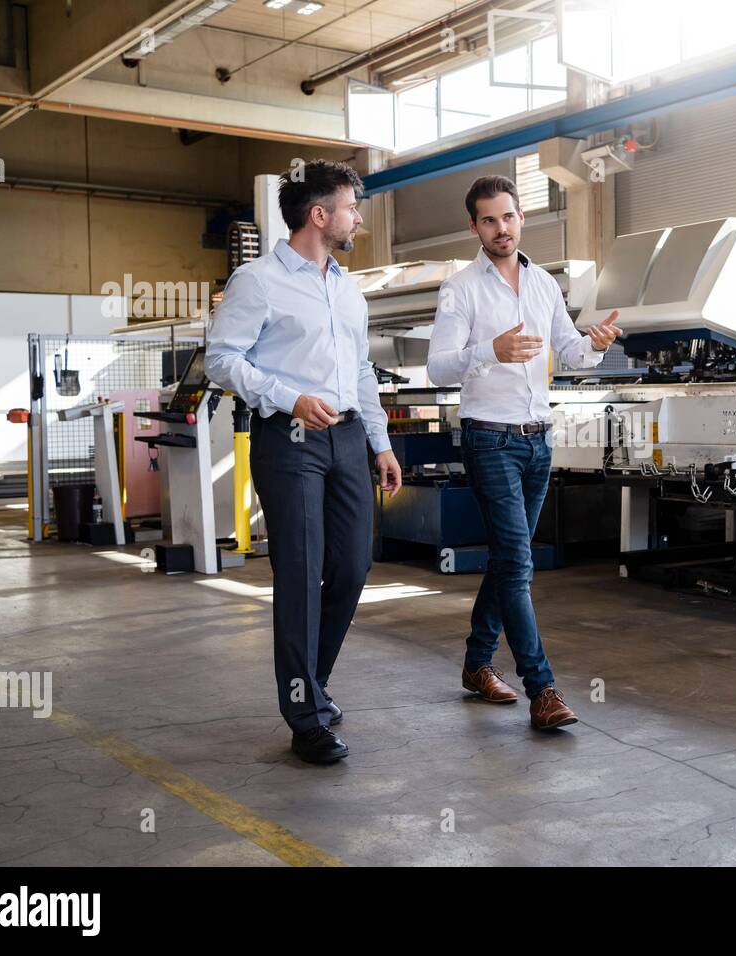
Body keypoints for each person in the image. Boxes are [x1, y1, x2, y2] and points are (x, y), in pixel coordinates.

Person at [206, 159, 402, 764]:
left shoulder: (347, 287)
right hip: (288, 439)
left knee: (352, 566)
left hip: (346, 439)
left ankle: (311, 682)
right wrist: (291, 397)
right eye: (350, 208)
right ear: (320, 215)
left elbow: (362, 371)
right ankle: (305, 712)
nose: (357, 218)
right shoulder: (257, 280)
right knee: (299, 571)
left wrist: (380, 442)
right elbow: (222, 360)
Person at [427, 175, 621, 731]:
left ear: (520, 218)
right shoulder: (461, 288)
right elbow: (438, 366)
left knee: (511, 562)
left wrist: (595, 345)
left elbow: (571, 353)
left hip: (538, 439)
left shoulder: (543, 285)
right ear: (474, 227)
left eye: (507, 217)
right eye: (488, 220)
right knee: (517, 562)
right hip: (489, 437)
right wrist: (490, 351)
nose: (500, 228)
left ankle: (475, 665)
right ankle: (543, 689)